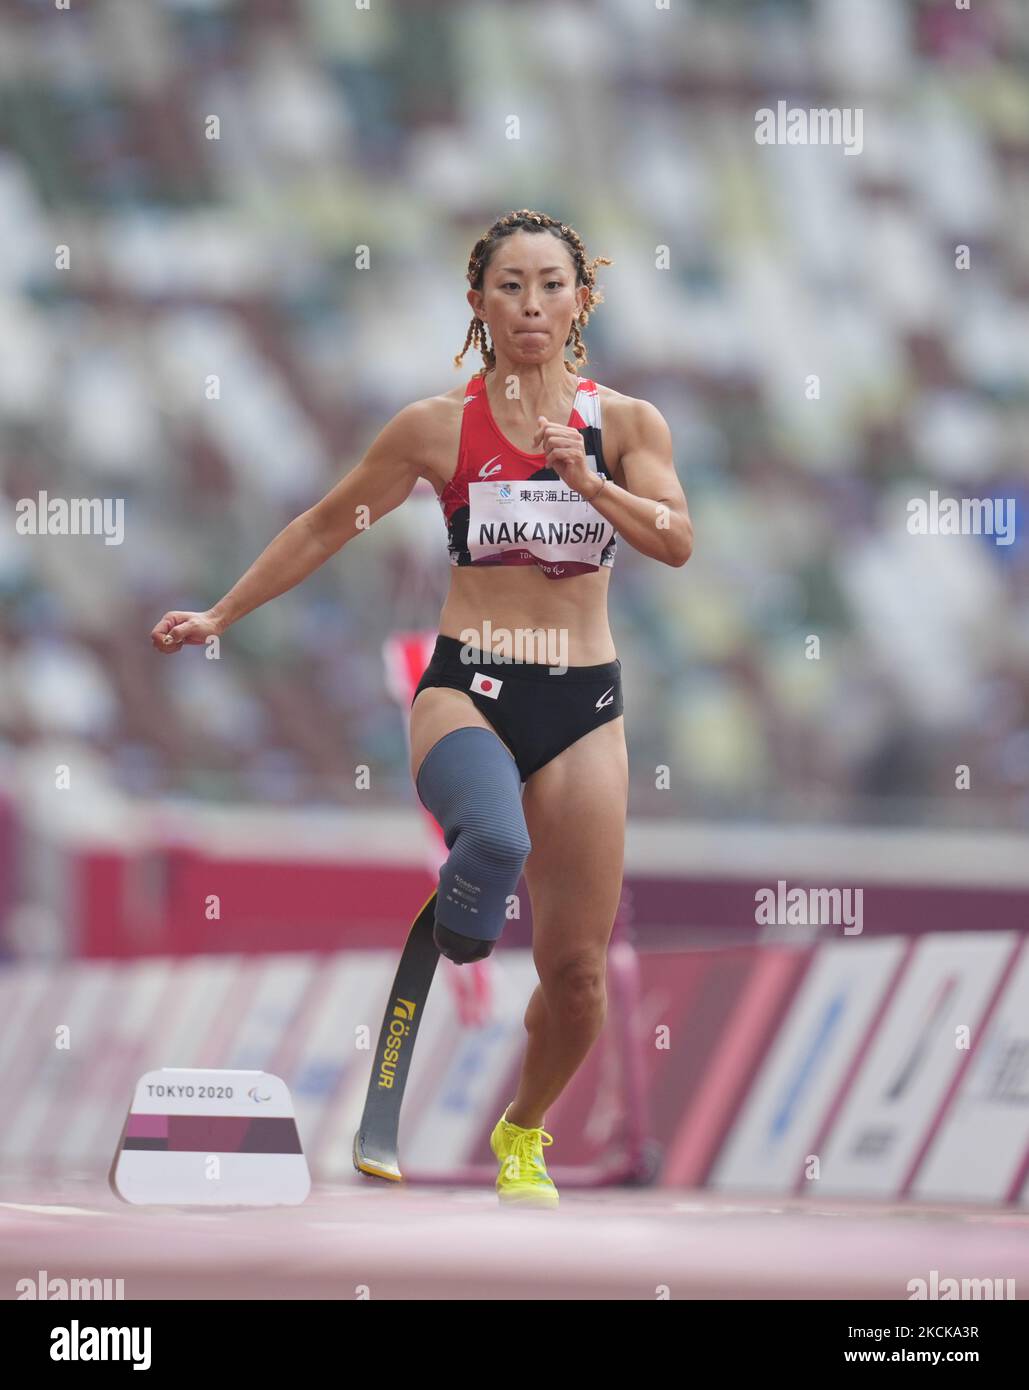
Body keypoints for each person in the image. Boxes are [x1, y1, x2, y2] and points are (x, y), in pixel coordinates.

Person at [151, 208, 693, 1208]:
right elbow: (326, 523)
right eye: (510, 286)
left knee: (575, 978)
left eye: (550, 285)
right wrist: (222, 611)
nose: (531, 304)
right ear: (479, 304)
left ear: (583, 300)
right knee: (492, 839)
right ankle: (468, 899)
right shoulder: (436, 428)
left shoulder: (627, 426)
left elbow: (675, 538)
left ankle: (522, 1130)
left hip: (586, 707)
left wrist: (592, 484)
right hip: (470, 689)